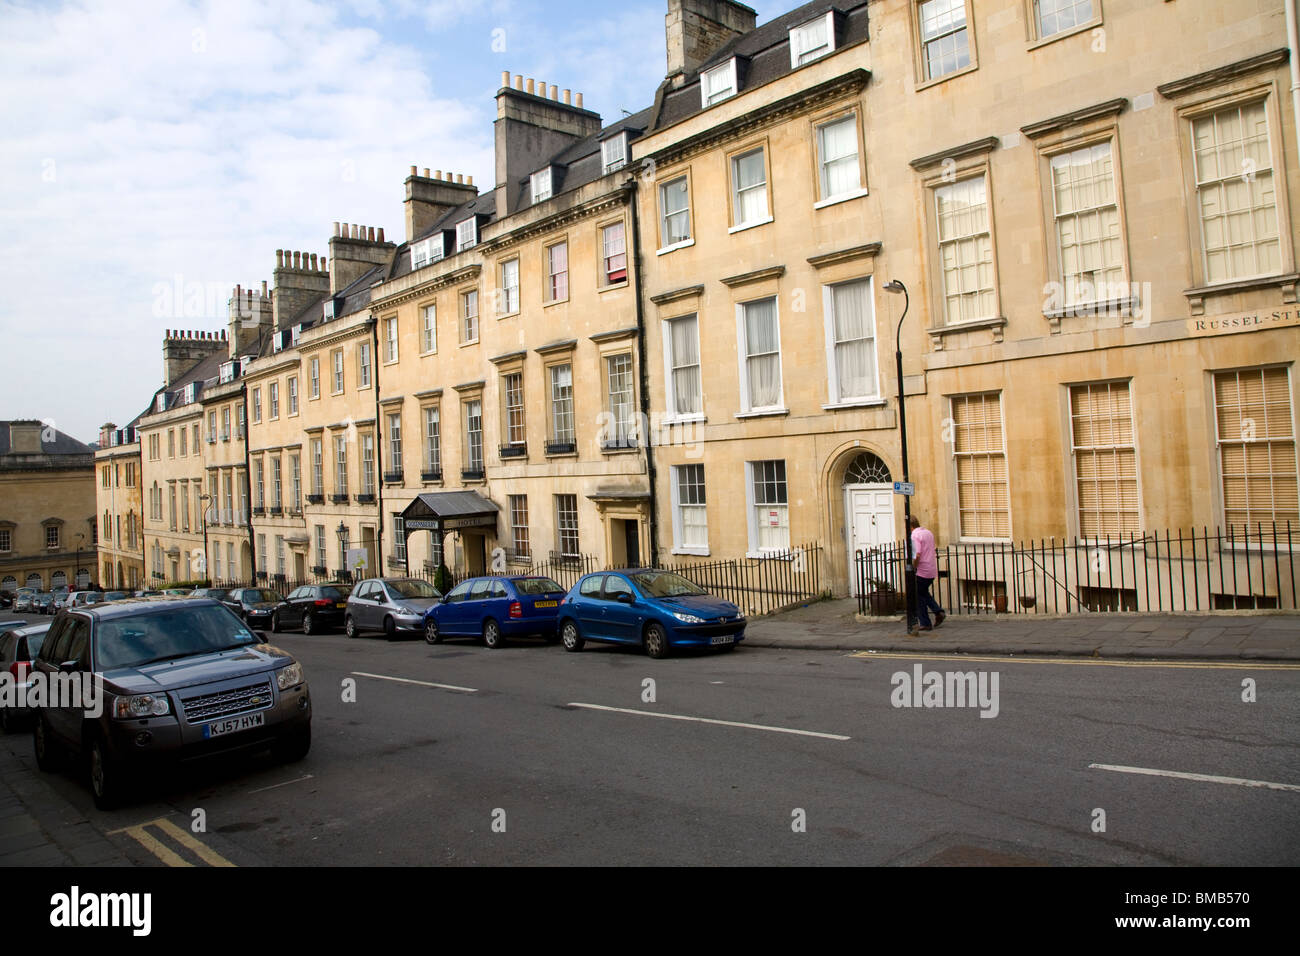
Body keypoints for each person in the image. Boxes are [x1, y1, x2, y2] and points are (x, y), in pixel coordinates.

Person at [909, 515, 945, 632]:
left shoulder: (915, 535)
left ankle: (925, 623)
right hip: (931, 569)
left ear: (910, 526)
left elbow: (917, 554)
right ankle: (938, 612)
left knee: (918, 597)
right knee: (924, 592)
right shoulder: (928, 533)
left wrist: (913, 568)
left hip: (922, 570)